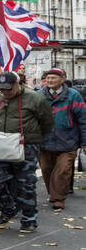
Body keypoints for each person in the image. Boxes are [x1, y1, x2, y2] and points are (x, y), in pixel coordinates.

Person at [0, 70, 54, 232]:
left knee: (26, 183)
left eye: (8, 89)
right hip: (1, 145)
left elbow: (47, 122)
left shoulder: (35, 98)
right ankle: (8, 208)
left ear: (18, 84)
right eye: (2, 89)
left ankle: (29, 218)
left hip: (27, 145)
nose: (5, 92)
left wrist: (35, 139)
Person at [37, 68, 86, 213]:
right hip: (45, 141)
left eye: (53, 78)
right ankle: (54, 194)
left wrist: (84, 140)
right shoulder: (39, 95)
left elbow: (83, 119)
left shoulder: (74, 95)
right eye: (48, 78)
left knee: (63, 170)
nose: (50, 81)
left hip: (68, 142)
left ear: (63, 79)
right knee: (46, 169)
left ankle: (59, 198)